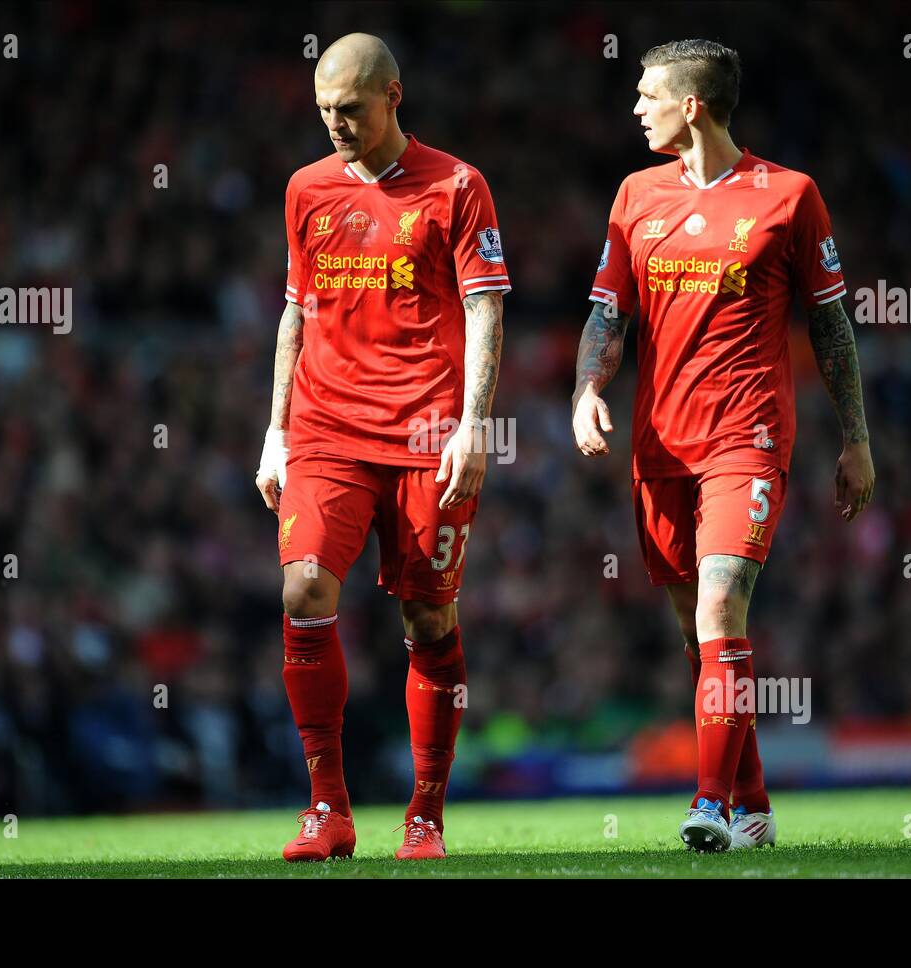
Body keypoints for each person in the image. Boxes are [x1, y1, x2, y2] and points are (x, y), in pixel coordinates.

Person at [572, 39, 875, 851]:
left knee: (719, 604)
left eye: (647, 95)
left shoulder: (789, 196)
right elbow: (609, 312)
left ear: (691, 105)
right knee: (697, 628)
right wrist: (587, 391)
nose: (636, 108)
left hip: (749, 436)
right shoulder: (635, 196)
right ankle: (755, 807)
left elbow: (830, 324)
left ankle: (708, 805)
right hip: (659, 444)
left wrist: (856, 439)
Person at [256, 33, 510, 861]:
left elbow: (484, 308)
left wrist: (475, 421)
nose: (336, 123)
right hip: (327, 429)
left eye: (352, 109)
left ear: (393, 97)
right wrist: (275, 430)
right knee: (301, 591)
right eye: (325, 109)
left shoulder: (458, 186)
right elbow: (297, 310)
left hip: (428, 432)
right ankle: (327, 809)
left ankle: (425, 816)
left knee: (428, 614)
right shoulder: (305, 189)